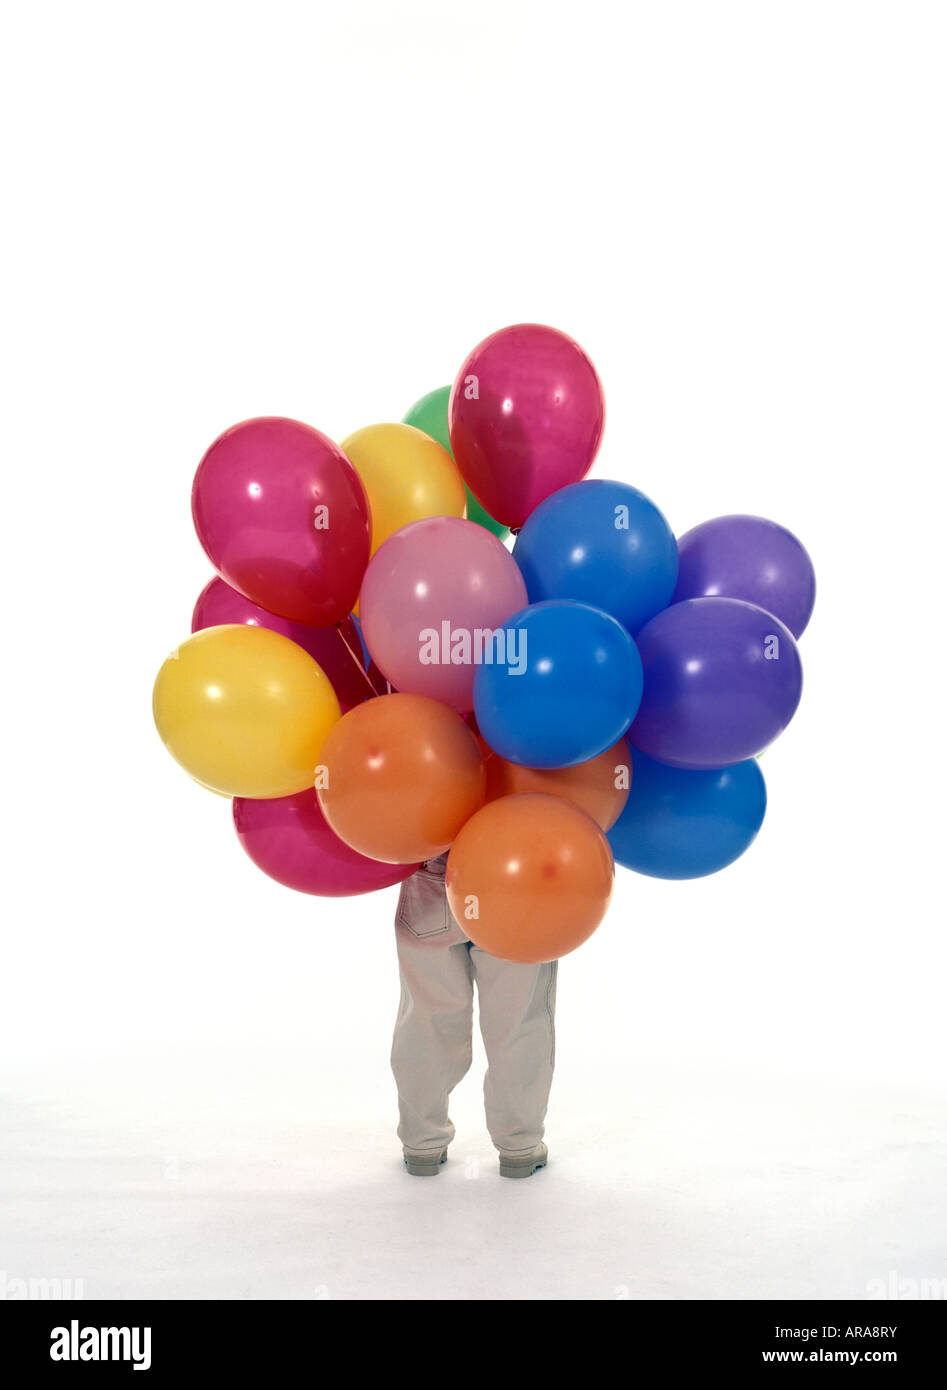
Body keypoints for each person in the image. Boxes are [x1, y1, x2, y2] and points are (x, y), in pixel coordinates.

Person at [390, 852, 557, 1178]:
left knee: (426, 1016)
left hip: (434, 871)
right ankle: (519, 1145)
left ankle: (421, 1143)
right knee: (517, 1020)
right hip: (517, 871)